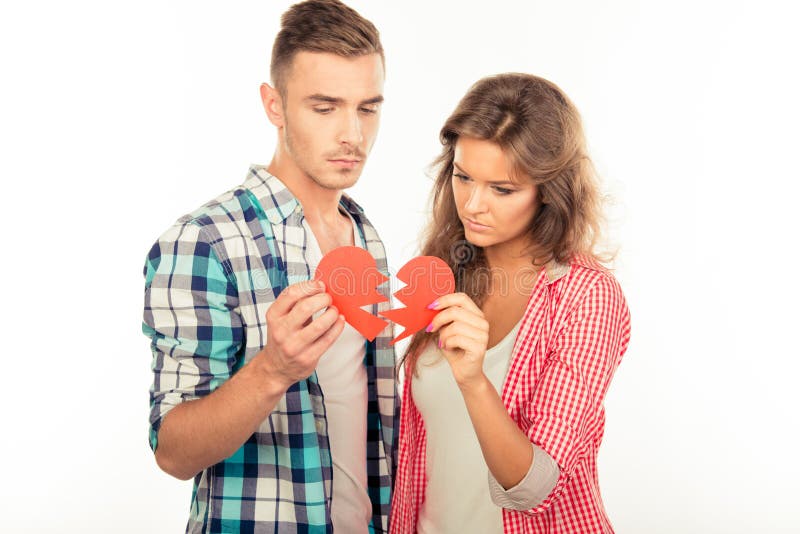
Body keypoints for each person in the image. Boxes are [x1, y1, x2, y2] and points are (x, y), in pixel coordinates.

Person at [141, 1, 398, 532]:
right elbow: (173, 452)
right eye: (324, 108)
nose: (352, 134)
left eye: (367, 108)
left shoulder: (365, 234)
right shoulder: (203, 241)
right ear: (274, 105)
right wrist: (273, 370)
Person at [390, 73, 632, 533]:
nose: (474, 205)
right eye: (463, 177)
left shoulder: (586, 297)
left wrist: (474, 381)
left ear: (550, 191)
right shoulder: (442, 272)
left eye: (502, 189)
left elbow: (533, 489)